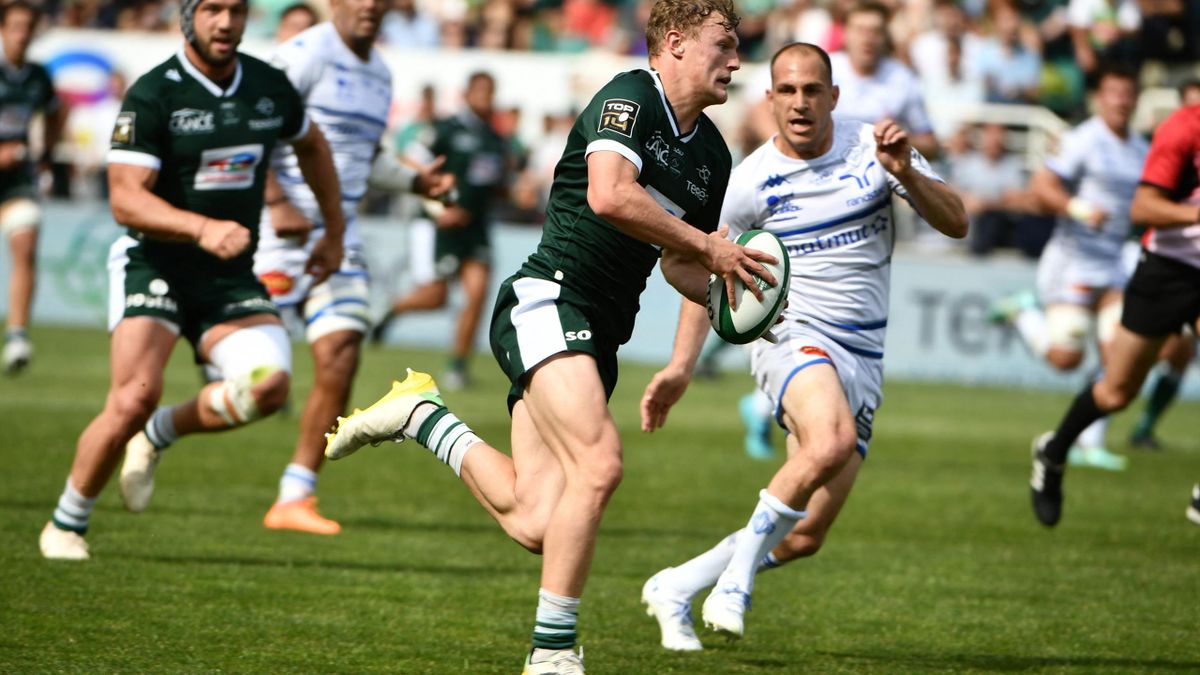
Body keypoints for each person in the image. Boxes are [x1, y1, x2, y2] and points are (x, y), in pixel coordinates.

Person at [324, 1, 776, 670]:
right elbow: (609, 195)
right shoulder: (629, 97)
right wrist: (710, 251)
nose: (736, 60)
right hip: (549, 298)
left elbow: (684, 259)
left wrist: (736, 294)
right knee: (599, 465)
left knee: (538, 519)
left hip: (599, 333)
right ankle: (553, 653)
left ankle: (422, 417)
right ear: (675, 43)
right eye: (724, 44)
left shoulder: (712, 153)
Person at [639, 42, 966, 650]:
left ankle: (677, 586)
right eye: (786, 90)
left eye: (812, 90)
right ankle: (734, 584)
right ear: (769, 99)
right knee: (831, 441)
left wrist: (907, 174)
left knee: (806, 533)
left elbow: (957, 221)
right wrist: (681, 365)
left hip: (864, 356)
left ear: (833, 97)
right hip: (792, 337)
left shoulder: (877, 148)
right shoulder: (749, 183)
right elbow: (696, 268)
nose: (799, 102)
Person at [119, 0, 453, 535]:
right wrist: (276, 201)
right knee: (251, 380)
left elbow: (361, 156)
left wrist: (416, 182)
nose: (369, 6)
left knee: (342, 353)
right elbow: (246, 130)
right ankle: (157, 429)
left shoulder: (382, 73)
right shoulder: (303, 55)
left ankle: (295, 495)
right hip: (273, 235)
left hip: (337, 236)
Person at [38, 0, 346, 560]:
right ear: (187, 17)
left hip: (226, 275)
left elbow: (313, 146)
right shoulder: (155, 93)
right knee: (132, 395)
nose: (225, 23)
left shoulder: (268, 86)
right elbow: (126, 200)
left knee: (268, 386)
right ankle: (67, 522)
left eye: (235, 10)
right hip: (153, 263)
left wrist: (334, 231)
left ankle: (157, 434)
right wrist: (201, 226)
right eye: (211, 10)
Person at [1029, 101, 1200, 528]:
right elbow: (1143, 210)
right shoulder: (1183, 129)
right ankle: (1055, 451)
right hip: (1170, 270)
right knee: (1115, 392)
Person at [991, 66, 1147, 470]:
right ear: (1101, 96)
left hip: (1114, 262)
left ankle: (1091, 443)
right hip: (1073, 260)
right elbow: (1042, 186)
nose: (1121, 101)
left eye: (1128, 93)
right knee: (1066, 360)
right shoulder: (1082, 140)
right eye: (1114, 92)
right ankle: (1023, 311)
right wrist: (1078, 208)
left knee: (1118, 357)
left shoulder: (1140, 149)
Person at [371, 71, 508, 390]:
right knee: (436, 296)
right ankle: (390, 311)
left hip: (476, 227)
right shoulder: (446, 130)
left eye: (490, 91)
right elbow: (411, 162)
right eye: (480, 91)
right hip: (441, 225)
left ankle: (457, 366)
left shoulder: (496, 139)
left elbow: (496, 185)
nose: (486, 97)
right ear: (466, 94)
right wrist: (440, 206)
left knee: (478, 293)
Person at [1, 0, 65, 375]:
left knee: (25, 245)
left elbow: (56, 110)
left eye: (28, 26)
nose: (22, 34)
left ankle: (17, 336)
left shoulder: (39, 76)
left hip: (16, 181)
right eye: (15, 26)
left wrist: (45, 156)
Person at [828, 1, 938, 159]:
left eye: (875, 31)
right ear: (845, 34)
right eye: (860, 30)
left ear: (885, 36)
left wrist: (896, 137)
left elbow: (931, 145)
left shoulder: (903, 78)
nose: (867, 39)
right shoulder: (825, 70)